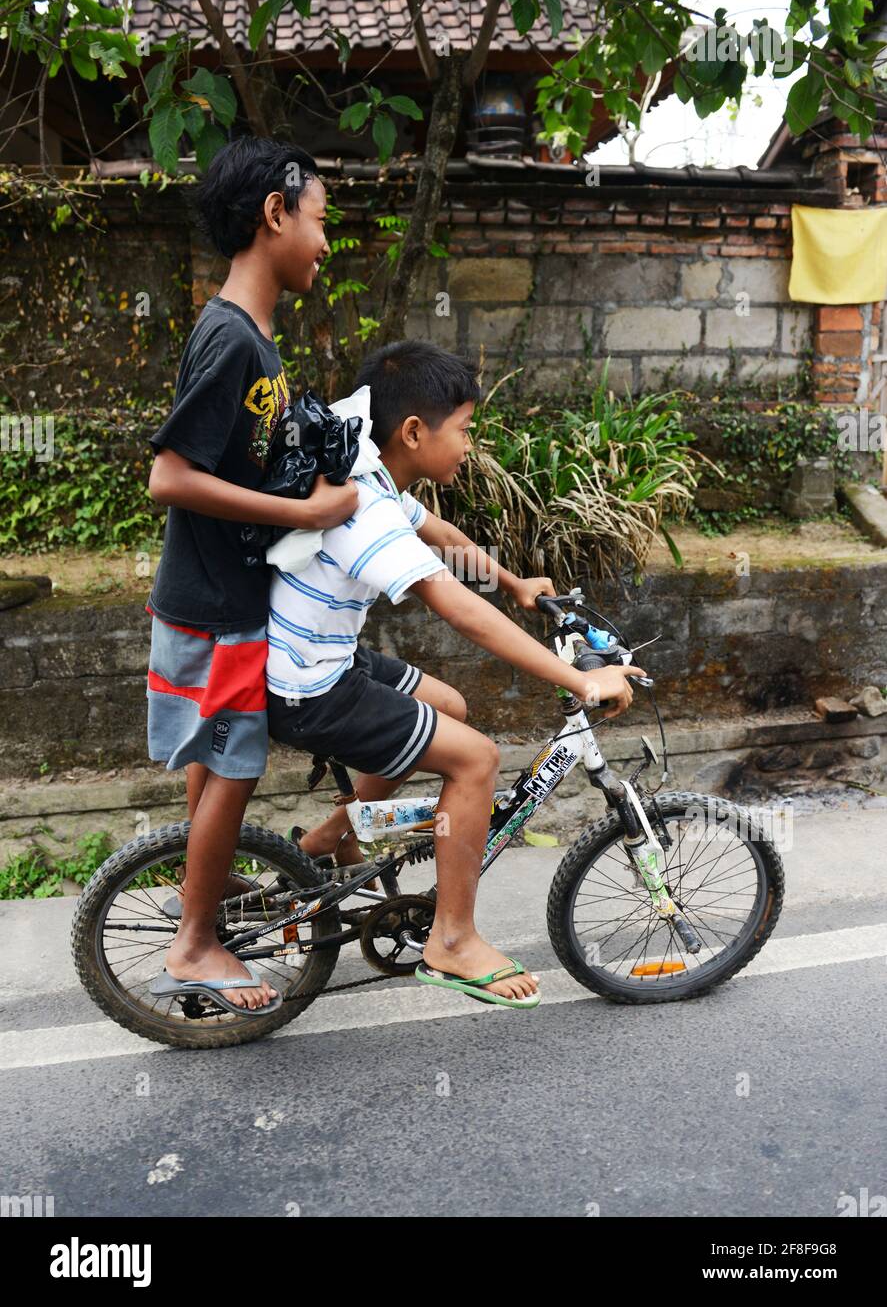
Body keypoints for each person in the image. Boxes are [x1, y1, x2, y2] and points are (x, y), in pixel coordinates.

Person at [267, 340, 646, 1009]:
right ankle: (452, 939)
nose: (470, 445)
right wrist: (582, 681)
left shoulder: (357, 438)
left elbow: (433, 530)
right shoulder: (362, 506)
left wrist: (516, 584)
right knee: (476, 762)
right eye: (465, 429)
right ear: (414, 431)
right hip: (311, 685)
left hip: (313, 653)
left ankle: (331, 837)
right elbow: (456, 608)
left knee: (450, 706)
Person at [144, 136, 358, 1015]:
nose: (324, 241)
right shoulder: (230, 335)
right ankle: (195, 945)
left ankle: (211, 895)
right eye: (317, 220)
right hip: (212, 603)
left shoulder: (256, 338)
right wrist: (306, 515)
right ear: (275, 214)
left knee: (216, 763)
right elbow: (172, 474)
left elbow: (236, 464)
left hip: (223, 596)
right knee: (234, 763)